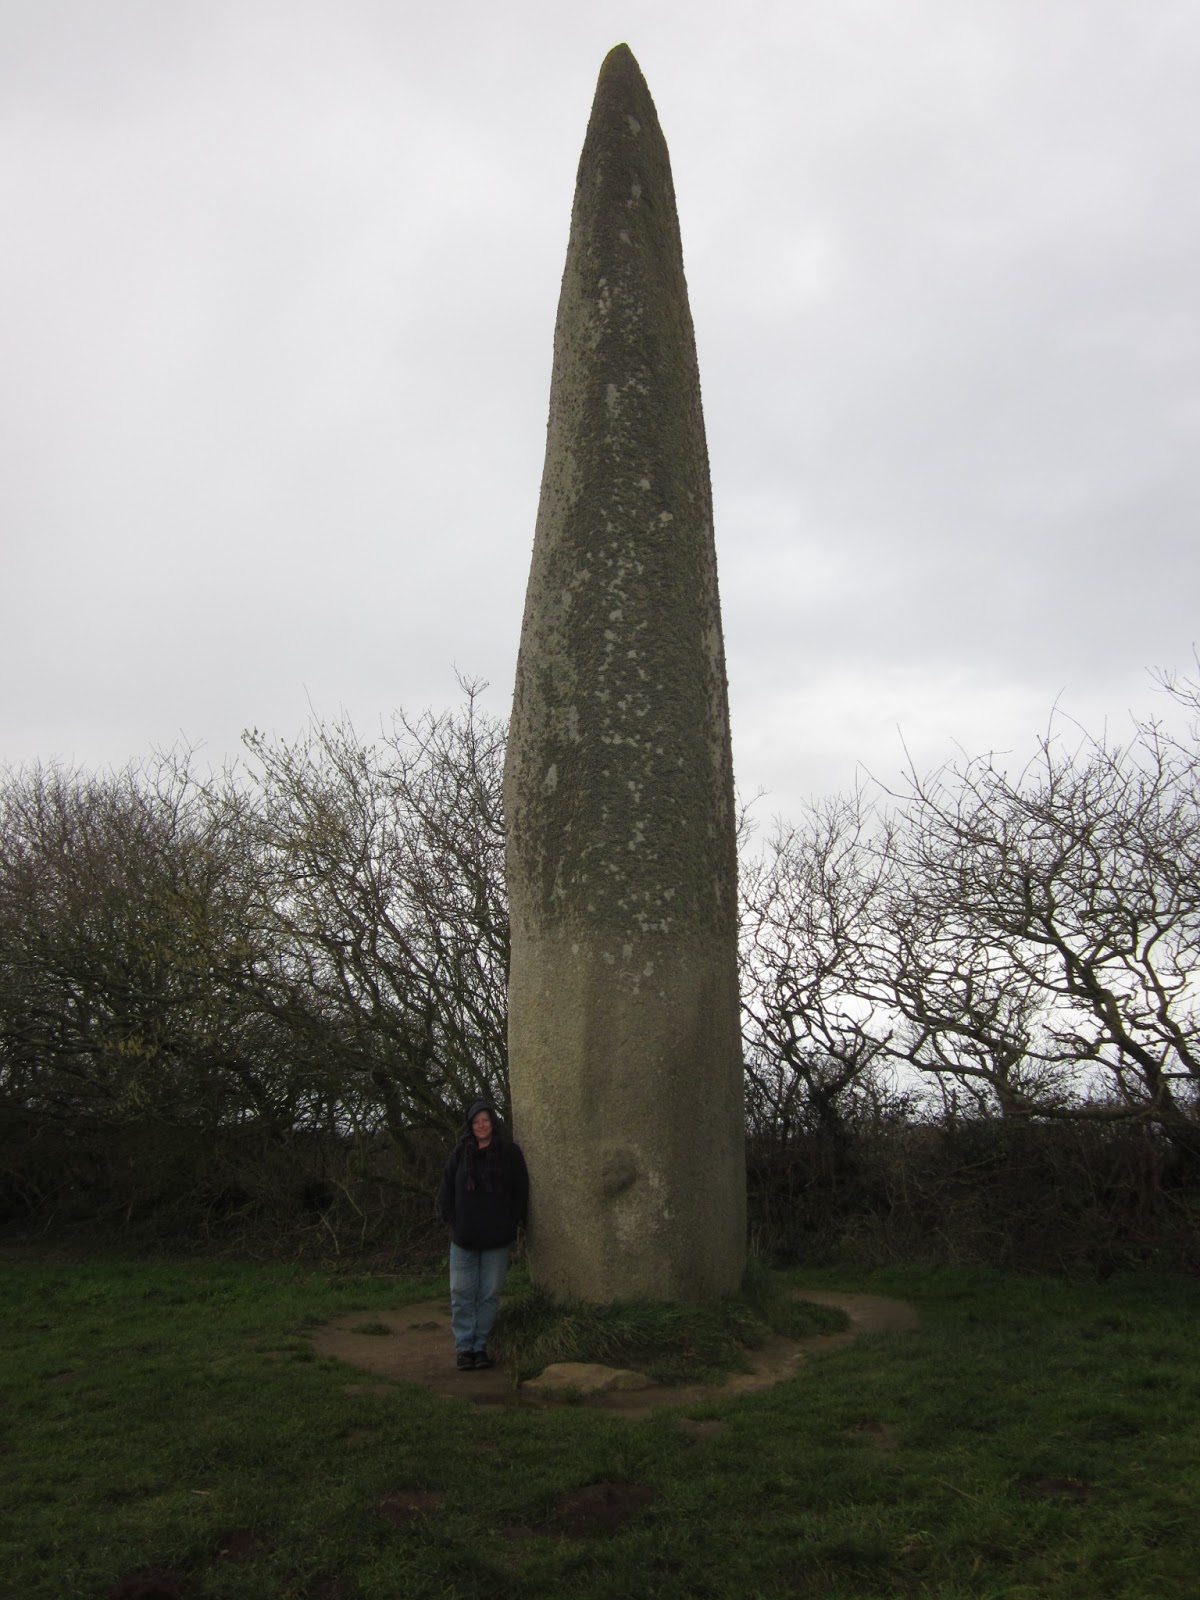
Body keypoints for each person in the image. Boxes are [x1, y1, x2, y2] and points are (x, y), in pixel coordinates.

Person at [437, 1098, 528, 1371]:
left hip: (497, 1237)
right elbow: (446, 1191)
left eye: (485, 1120)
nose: (481, 1125)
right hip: (464, 1237)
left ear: (493, 1123)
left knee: (489, 1294)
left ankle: (481, 1347)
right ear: (470, 1125)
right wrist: (453, 1220)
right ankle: (464, 1348)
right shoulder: (459, 1154)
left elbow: (520, 1190)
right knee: (461, 1293)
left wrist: (514, 1220)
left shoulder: (509, 1153)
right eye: (476, 1122)